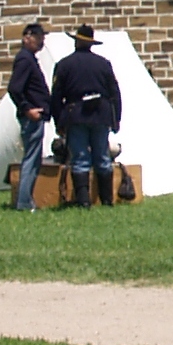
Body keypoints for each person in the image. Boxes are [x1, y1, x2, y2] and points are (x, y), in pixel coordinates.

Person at [49, 24, 121, 208]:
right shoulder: (104, 64)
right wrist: (116, 118)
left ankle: (83, 201)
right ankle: (106, 200)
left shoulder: (64, 65)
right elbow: (114, 93)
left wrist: (59, 121)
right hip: (100, 115)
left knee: (80, 159)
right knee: (102, 158)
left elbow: (56, 96)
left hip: (76, 114)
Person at [6, 22, 51, 212]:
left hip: (36, 116)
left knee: (34, 160)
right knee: (31, 160)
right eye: (38, 38)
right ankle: (24, 203)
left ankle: (27, 200)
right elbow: (15, 89)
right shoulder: (24, 59)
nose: (41, 42)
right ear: (27, 37)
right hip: (31, 117)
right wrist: (27, 109)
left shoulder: (29, 58)